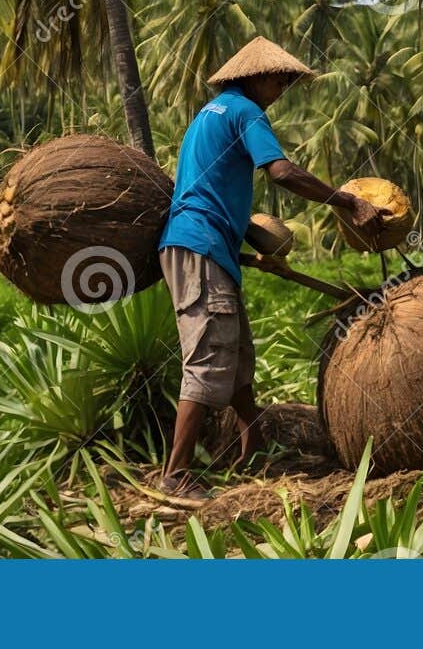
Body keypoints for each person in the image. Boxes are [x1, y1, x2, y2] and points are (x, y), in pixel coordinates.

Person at [157, 36, 384, 496]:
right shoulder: (245, 111)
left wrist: (242, 248)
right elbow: (281, 171)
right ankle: (176, 475)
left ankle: (251, 446)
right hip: (199, 246)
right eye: (280, 79)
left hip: (203, 247)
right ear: (256, 76)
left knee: (236, 356)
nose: (282, 88)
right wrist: (346, 202)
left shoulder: (208, 114)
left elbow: (205, 191)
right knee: (207, 360)